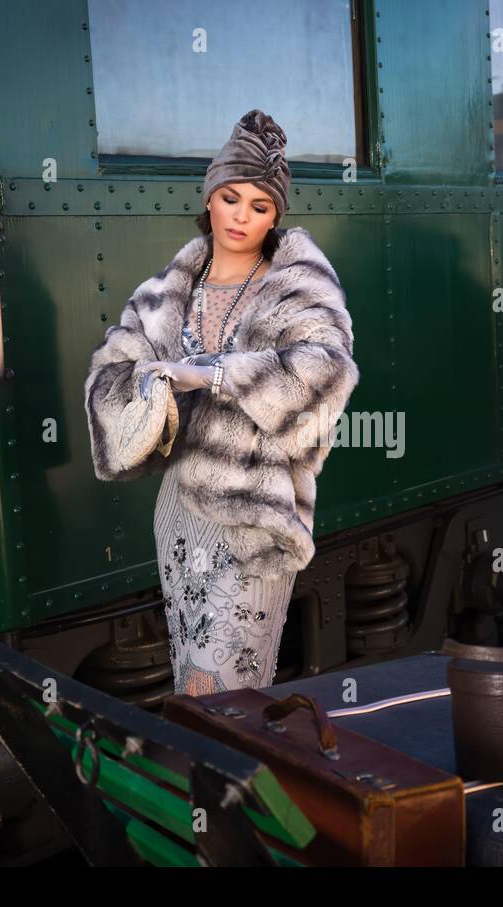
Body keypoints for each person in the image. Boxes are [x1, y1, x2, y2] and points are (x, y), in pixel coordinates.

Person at [84, 109, 359, 695]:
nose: (241, 216)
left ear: (275, 217)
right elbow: (110, 373)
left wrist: (209, 374)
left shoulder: (299, 284)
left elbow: (325, 372)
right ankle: (209, 786)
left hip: (256, 514)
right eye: (230, 197)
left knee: (226, 686)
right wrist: (148, 391)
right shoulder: (164, 293)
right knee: (190, 678)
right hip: (180, 513)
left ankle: (233, 783)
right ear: (209, 199)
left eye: (260, 206)